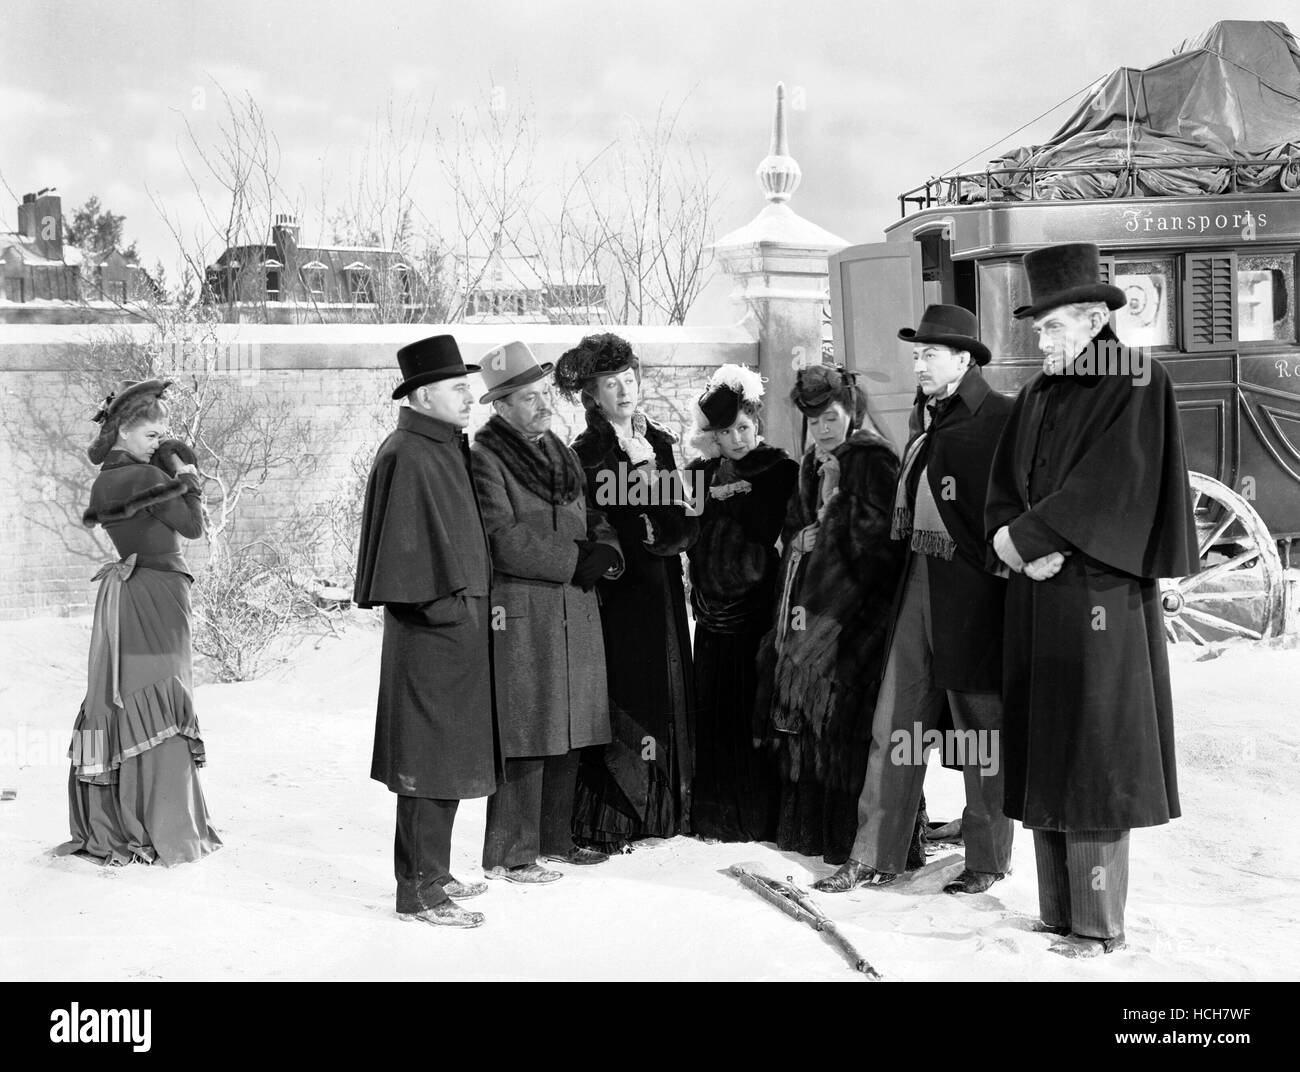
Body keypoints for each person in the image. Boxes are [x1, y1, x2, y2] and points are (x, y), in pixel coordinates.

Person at [985, 243, 1198, 957]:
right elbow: (1004, 488)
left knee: (1094, 762)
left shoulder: (1135, 379)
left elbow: (1115, 485)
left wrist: (1035, 540)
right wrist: (1011, 541)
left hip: (1098, 600)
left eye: (1047, 327)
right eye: (1038, 327)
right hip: (1038, 599)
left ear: (1088, 318)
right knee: (1048, 752)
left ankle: (1098, 925)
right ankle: (1057, 913)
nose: (1037, 339)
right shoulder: (1041, 392)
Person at [814, 306, 1015, 893]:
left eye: (929, 353)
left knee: (982, 733)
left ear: (964, 359)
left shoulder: (999, 417)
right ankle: (875, 851)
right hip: (919, 585)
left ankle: (987, 858)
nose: (918, 363)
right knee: (895, 723)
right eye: (916, 354)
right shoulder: (926, 418)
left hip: (975, 597)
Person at [354, 334, 501, 929]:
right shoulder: (409, 453)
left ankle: (433, 873)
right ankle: (418, 891)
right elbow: (401, 558)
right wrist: (446, 612)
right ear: (421, 395)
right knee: (424, 759)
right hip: (433, 632)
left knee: (446, 756)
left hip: (455, 630)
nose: (470, 398)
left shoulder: (440, 446)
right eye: (457, 388)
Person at [470, 340, 623, 881]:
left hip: (574, 608)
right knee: (528, 733)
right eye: (527, 397)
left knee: (571, 729)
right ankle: (511, 854)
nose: (541, 404)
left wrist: (606, 552)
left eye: (542, 394)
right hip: (526, 612)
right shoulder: (485, 457)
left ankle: (555, 840)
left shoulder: (560, 452)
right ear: (501, 405)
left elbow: (595, 517)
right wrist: (574, 562)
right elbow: (502, 538)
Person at [57, 378, 221, 867]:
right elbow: (192, 527)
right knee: (162, 694)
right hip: (159, 593)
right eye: (153, 435)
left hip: (127, 594)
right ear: (125, 431)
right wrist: (186, 473)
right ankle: (164, 824)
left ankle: (116, 818)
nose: (159, 442)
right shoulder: (148, 479)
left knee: (118, 693)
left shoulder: (104, 479)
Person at [754, 365, 911, 866]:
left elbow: (884, 540)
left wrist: (831, 522)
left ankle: (858, 840)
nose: (823, 428)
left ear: (852, 412)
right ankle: (816, 832)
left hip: (857, 617)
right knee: (811, 719)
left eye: (832, 417)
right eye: (814, 420)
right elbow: (796, 529)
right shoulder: (810, 462)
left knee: (850, 725)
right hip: (812, 612)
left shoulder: (871, 458)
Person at [554, 332, 697, 852]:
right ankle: (615, 817)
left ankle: (665, 810)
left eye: (630, 378)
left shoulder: (657, 439)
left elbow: (679, 516)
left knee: (667, 681)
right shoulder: (584, 452)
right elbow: (590, 525)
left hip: (659, 581)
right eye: (611, 383)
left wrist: (666, 507)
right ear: (591, 393)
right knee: (626, 688)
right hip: (618, 590)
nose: (624, 389)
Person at [684, 365, 798, 842]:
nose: (737, 439)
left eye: (744, 428)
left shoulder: (779, 470)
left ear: (758, 425)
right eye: (726, 432)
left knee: (753, 712)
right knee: (714, 715)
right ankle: (714, 818)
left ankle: (758, 817)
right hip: (710, 614)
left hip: (757, 611)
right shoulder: (698, 474)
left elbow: (789, 534)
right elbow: (683, 532)